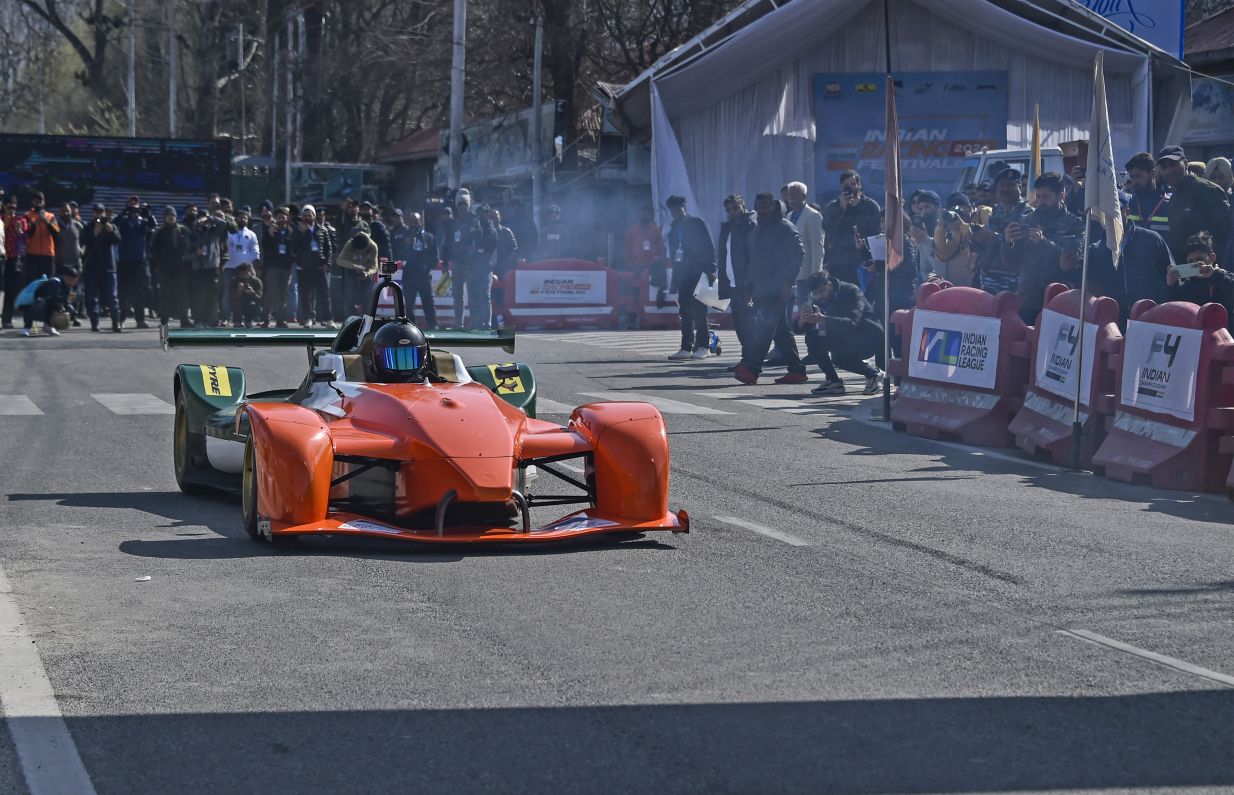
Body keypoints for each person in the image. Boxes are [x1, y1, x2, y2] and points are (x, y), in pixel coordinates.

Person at [733, 194, 806, 384]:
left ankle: (752, 369)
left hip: (778, 289)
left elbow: (798, 255)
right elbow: (753, 261)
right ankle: (797, 371)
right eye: (758, 208)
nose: (761, 212)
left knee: (764, 329)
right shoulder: (758, 229)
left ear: (773, 207)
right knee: (780, 330)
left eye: (764, 208)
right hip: (761, 289)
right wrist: (749, 286)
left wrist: (788, 282)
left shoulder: (785, 228)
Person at [1004, 172, 1085, 324]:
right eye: (1038, 196)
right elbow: (1012, 265)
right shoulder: (1027, 221)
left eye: (1046, 197)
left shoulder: (1075, 224)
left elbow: (1071, 264)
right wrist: (1008, 243)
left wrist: (1043, 243)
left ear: (1061, 195)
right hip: (1028, 301)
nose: (1040, 202)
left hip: (1060, 301)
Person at [1087, 194, 1173, 326]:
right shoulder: (1096, 249)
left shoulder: (1152, 240)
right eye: (1105, 212)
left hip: (1150, 322)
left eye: (1114, 211)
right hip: (1112, 326)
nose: (1109, 216)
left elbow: (1173, 281)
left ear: (1126, 211)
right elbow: (1090, 289)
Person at [798, 271, 883, 396]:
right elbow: (799, 329)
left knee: (839, 358)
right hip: (844, 335)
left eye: (822, 291)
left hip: (868, 336)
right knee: (812, 337)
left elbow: (852, 323)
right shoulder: (817, 300)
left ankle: (874, 374)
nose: (819, 296)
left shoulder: (851, 292)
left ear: (830, 285)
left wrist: (823, 319)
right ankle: (833, 381)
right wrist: (802, 320)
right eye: (815, 294)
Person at [1156, 145, 1231, 263]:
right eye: (1164, 167)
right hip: (1186, 272)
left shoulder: (1208, 190)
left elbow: (1227, 235)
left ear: (1185, 163)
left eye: (1173, 164)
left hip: (1210, 271)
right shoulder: (1173, 197)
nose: (1169, 170)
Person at [663, 195, 716, 360]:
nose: (676, 213)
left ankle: (704, 346)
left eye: (678, 209)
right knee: (684, 311)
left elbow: (709, 246)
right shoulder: (672, 230)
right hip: (683, 275)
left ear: (685, 208)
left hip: (699, 272)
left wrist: (711, 269)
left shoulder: (697, 223)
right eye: (673, 211)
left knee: (699, 310)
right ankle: (686, 347)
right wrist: (674, 281)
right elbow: (674, 258)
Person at [973, 168, 1032, 296]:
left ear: (1020, 188)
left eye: (1011, 185)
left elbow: (1024, 244)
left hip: (1012, 283)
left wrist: (993, 237)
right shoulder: (996, 210)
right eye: (1002, 186)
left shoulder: (1028, 213)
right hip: (988, 282)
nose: (1006, 189)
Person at [821, 170, 881, 286]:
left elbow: (877, 233)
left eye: (853, 184)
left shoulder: (870, 206)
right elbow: (826, 227)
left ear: (859, 185)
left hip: (862, 261)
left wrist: (875, 259)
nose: (850, 188)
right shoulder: (833, 206)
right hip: (838, 261)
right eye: (846, 185)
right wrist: (841, 207)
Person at [1167, 232, 1234, 330]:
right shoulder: (1185, 287)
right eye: (1190, 262)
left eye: (1200, 259)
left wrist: (1215, 275)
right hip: (1194, 337)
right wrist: (1171, 286)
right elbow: (1170, 312)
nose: (1196, 264)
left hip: (1222, 337)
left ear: (1212, 258)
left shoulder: (1223, 277)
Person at [717, 194, 755, 352]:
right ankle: (747, 356)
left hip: (746, 284)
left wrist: (751, 287)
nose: (732, 212)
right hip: (733, 283)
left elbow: (754, 258)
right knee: (739, 322)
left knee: (749, 322)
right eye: (728, 210)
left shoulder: (750, 225)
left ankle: (753, 357)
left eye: (735, 208)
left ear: (743, 207)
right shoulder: (727, 228)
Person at [391, 210, 439, 328]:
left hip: (423, 275)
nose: (414, 225)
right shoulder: (403, 237)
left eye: (416, 222)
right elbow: (397, 255)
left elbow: (435, 256)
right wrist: (407, 244)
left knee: (428, 301)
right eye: (411, 222)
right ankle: (410, 326)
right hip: (409, 274)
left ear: (420, 223)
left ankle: (433, 325)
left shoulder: (429, 237)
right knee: (409, 303)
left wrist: (428, 267)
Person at [81, 203, 122, 332]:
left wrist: (110, 231)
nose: (99, 215)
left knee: (112, 296)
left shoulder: (111, 226)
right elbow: (82, 240)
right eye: (97, 212)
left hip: (109, 267)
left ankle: (116, 323)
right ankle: (95, 323)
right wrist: (94, 233)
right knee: (93, 296)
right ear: (93, 213)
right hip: (93, 267)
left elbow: (118, 240)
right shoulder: (88, 226)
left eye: (101, 212)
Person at [114, 196, 154, 328]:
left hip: (139, 261)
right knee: (123, 291)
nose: (133, 208)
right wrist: (124, 212)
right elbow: (114, 224)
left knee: (139, 291)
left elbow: (153, 226)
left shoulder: (143, 222)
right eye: (131, 205)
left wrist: (148, 214)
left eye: (135, 205)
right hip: (125, 260)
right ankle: (122, 318)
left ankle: (140, 319)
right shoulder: (124, 222)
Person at [293, 204, 334, 328]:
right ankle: (308, 319)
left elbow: (329, 248)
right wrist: (302, 233)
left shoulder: (323, 229)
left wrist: (327, 263)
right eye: (304, 215)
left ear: (314, 216)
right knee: (306, 295)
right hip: (304, 268)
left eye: (309, 215)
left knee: (325, 295)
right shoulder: (298, 230)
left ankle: (329, 320)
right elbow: (294, 248)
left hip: (320, 267)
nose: (307, 217)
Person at [148, 206, 191, 327]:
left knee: (182, 295)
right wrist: (160, 261)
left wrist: (186, 258)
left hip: (180, 268)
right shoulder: (159, 232)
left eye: (172, 216)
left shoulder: (183, 230)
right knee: (165, 295)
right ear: (164, 218)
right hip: (165, 269)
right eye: (168, 216)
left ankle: (184, 319)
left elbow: (191, 245)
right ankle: (164, 320)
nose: (170, 218)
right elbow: (152, 250)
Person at [187, 208, 228, 327]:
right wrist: (196, 254)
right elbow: (186, 254)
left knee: (212, 295)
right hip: (198, 267)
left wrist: (209, 218)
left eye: (203, 217)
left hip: (211, 267)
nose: (201, 221)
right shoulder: (192, 233)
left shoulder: (213, 231)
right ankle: (199, 320)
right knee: (199, 295)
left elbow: (223, 223)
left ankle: (211, 320)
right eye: (199, 218)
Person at [261, 207, 296, 327]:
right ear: (275, 218)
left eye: (283, 216)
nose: (281, 218)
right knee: (271, 292)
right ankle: (265, 318)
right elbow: (264, 245)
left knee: (283, 293)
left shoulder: (291, 231)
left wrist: (292, 260)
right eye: (279, 217)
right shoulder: (270, 230)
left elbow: (294, 248)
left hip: (286, 267)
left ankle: (281, 320)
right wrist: (270, 234)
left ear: (287, 217)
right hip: (272, 266)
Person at [334, 230, 380, 321]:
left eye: (362, 251)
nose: (360, 254)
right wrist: (353, 266)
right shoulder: (349, 244)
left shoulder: (373, 246)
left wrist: (368, 273)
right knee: (349, 296)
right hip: (352, 271)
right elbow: (339, 260)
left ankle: (366, 319)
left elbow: (375, 266)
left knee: (367, 297)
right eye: (357, 251)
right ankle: (351, 318)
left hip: (366, 273)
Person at [19, 268, 77, 337]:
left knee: (70, 308)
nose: (72, 283)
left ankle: (48, 325)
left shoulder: (67, 286)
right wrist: (66, 298)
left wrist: (68, 301)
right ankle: (27, 327)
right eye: (70, 280)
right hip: (33, 304)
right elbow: (53, 297)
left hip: (45, 304)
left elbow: (64, 301)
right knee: (49, 303)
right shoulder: (55, 282)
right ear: (65, 277)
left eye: (74, 281)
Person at [1125, 151, 1171, 237]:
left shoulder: (1170, 204)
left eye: (1138, 176)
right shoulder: (1127, 204)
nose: (1134, 181)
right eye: (1131, 177)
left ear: (1153, 173)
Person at [22, 192, 59, 285]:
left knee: (47, 282)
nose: (38, 203)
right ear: (32, 202)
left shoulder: (50, 216)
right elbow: (26, 234)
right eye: (36, 200)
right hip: (32, 254)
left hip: (48, 255)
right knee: (32, 282)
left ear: (44, 202)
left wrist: (47, 222)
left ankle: (45, 299)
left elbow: (57, 232)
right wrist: (35, 223)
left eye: (40, 201)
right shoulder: (27, 215)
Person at [490, 207, 518, 326]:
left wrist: (506, 262)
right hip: (489, 267)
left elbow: (514, 248)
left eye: (496, 217)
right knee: (489, 296)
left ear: (500, 217)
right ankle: (492, 320)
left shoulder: (506, 231)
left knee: (502, 296)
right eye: (492, 217)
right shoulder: (486, 231)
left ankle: (502, 320)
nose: (495, 219)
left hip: (502, 269)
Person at [1, 199, 26, 328]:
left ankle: (7, 318)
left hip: (13, 258)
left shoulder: (20, 220)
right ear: (4, 207)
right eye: (9, 207)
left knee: (11, 290)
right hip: (1, 257)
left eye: (14, 208)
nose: (11, 210)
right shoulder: (1, 220)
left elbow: (25, 238)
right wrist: (4, 225)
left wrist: (19, 230)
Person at [621, 205, 664, 273]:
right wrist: (629, 265)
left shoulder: (656, 230)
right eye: (643, 214)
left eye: (647, 215)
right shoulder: (631, 230)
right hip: (635, 266)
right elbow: (626, 249)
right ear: (639, 215)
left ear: (650, 216)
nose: (644, 216)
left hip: (652, 266)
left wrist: (659, 263)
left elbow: (660, 248)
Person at [227, 262, 264, 327]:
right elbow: (230, 298)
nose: (245, 275)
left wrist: (252, 292)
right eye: (243, 273)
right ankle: (237, 321)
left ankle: (248, 321)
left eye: (247, 273)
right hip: (239, 302)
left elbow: (259, 299)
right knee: (236, 303)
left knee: (252, 304)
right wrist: (239, 291)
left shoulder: (256, 282)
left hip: (252, 303)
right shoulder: (234, 281)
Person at [504, 198, 538, 263]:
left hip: (525, 255)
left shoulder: (527, 220)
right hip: (513, 255)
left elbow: (533, 239)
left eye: (513, 206)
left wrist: (525, 253)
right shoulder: (510, 221)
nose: (512, 209)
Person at [54, 203, 83, 274]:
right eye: (63, 211)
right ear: (60, 212)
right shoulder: (55, 226)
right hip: (61, 264)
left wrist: (81, 250)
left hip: (76, 263)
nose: (66, 213)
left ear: (71, 211)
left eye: (67, 210)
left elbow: (85, 241)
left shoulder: (78, 225)